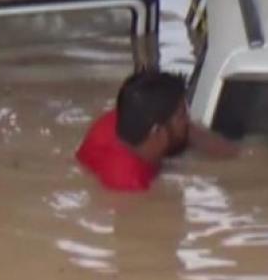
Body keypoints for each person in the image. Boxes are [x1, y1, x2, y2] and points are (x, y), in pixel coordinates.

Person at [76, 70, 238, 192]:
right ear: (157, 132)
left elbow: (193, 134)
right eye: (182, 116)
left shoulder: (134, 117)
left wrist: (241, 155)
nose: (188, 121)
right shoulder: (127, 184)